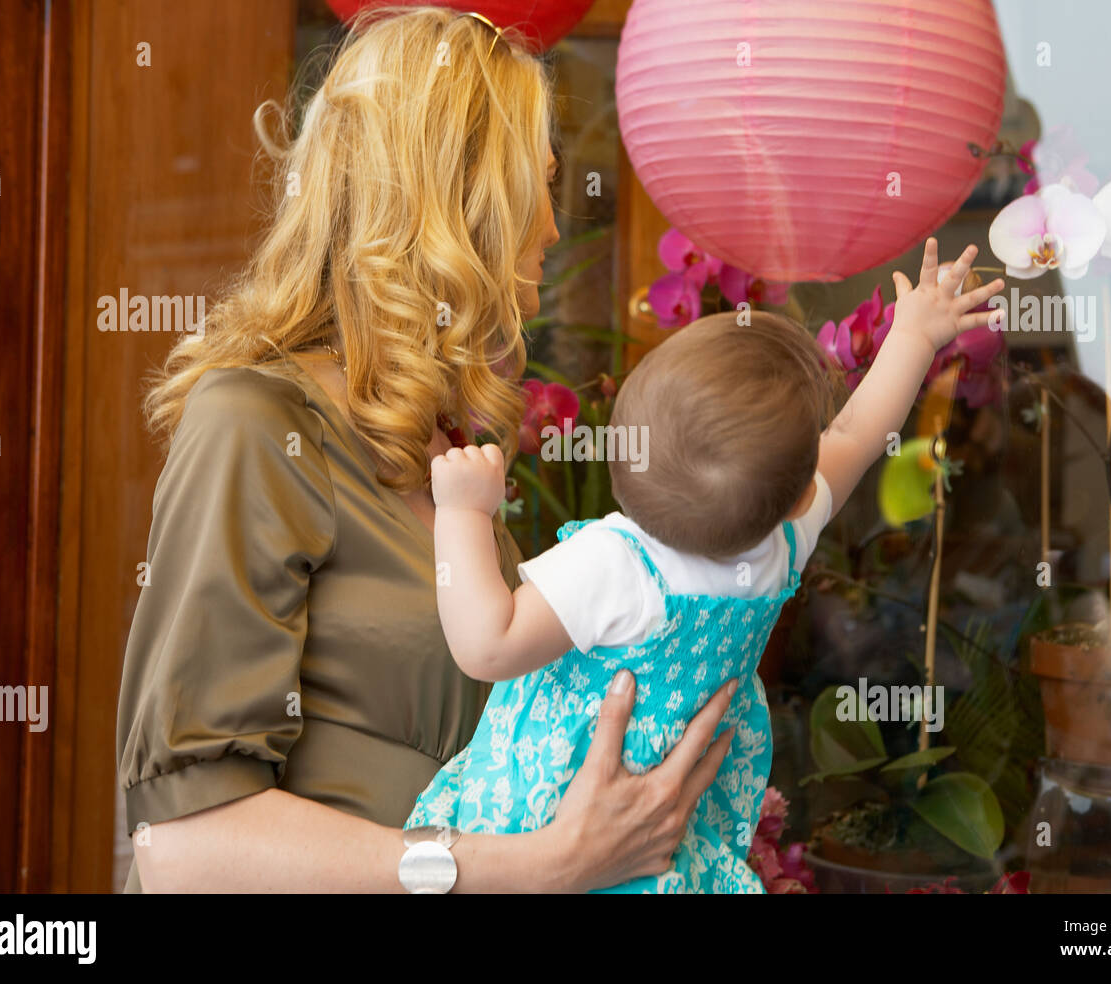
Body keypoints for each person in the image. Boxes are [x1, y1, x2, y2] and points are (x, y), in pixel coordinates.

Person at [115, 6, 738, 893]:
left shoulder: (439, 450)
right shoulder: (252, 421)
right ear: (455, 201)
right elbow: (183, 851)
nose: (554, 234)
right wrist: (540, 866)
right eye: (539, 189)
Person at [407, 240, 1005, 892]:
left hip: (540, 826)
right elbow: (858, 434)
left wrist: (463, 514)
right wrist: (916, 332)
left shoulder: (614, 567)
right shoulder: (780, 547)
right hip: (661, 843)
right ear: (801, 492)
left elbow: (486, 646)